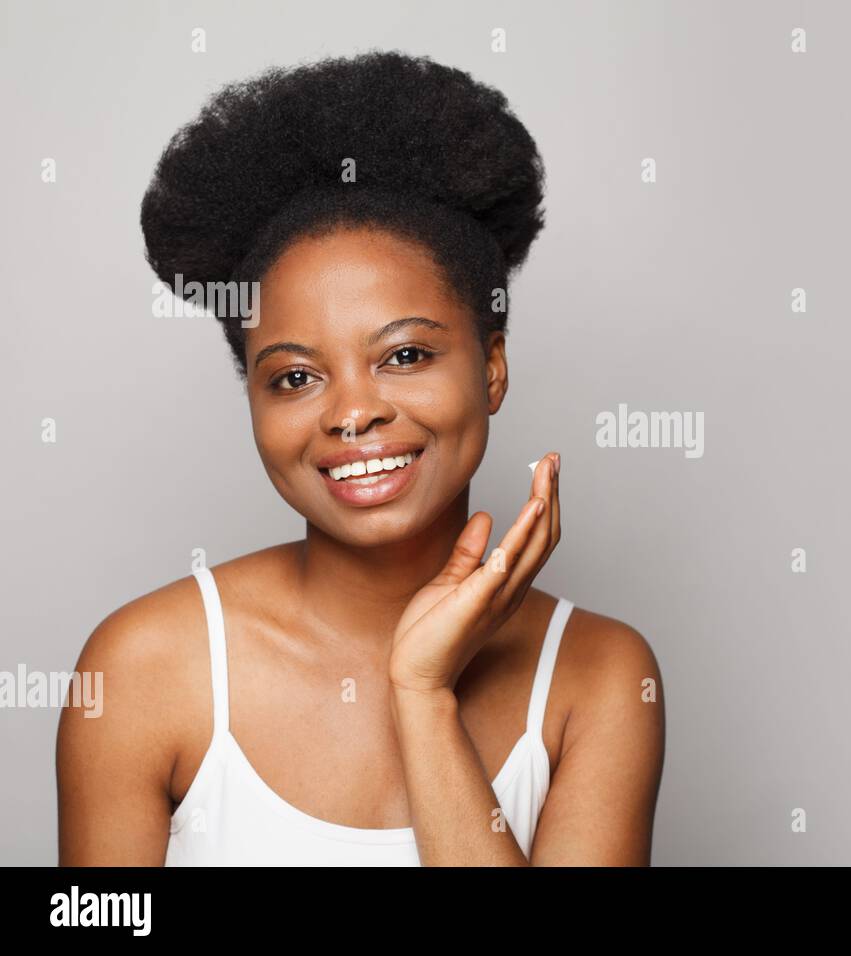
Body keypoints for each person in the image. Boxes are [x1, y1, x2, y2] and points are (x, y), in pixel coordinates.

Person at [56, 50, 665, 866]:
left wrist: (421, 695)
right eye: (297, 376)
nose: (352, 413)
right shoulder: (142, 669)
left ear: (492, 367)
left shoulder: (600, 678)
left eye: (405, 356)